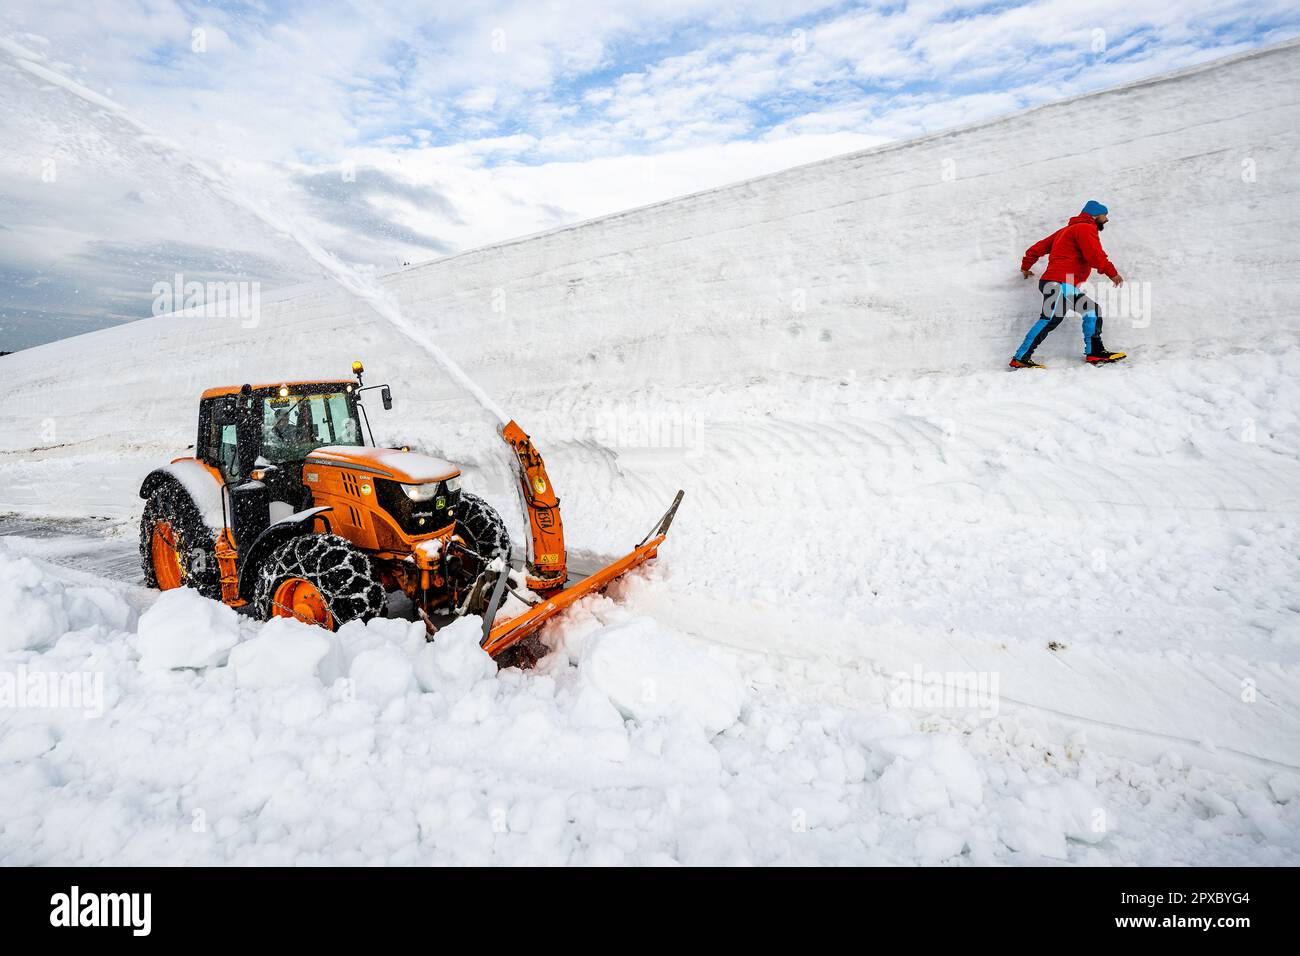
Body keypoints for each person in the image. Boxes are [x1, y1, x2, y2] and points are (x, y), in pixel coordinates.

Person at [1010, 200, 1126, 368]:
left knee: (1088, 311)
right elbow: (1094, 254)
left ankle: (1094, 352)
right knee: (1051, 318)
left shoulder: (1064, 231)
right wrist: (1112, 273)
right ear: (1095, 215)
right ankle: (1020, 357)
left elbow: (1036, 249)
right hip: (1059, 282)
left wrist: (1025, 267)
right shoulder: (1086, 228)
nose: (1106, 219)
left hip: (1061, 284)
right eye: (1104, 215)